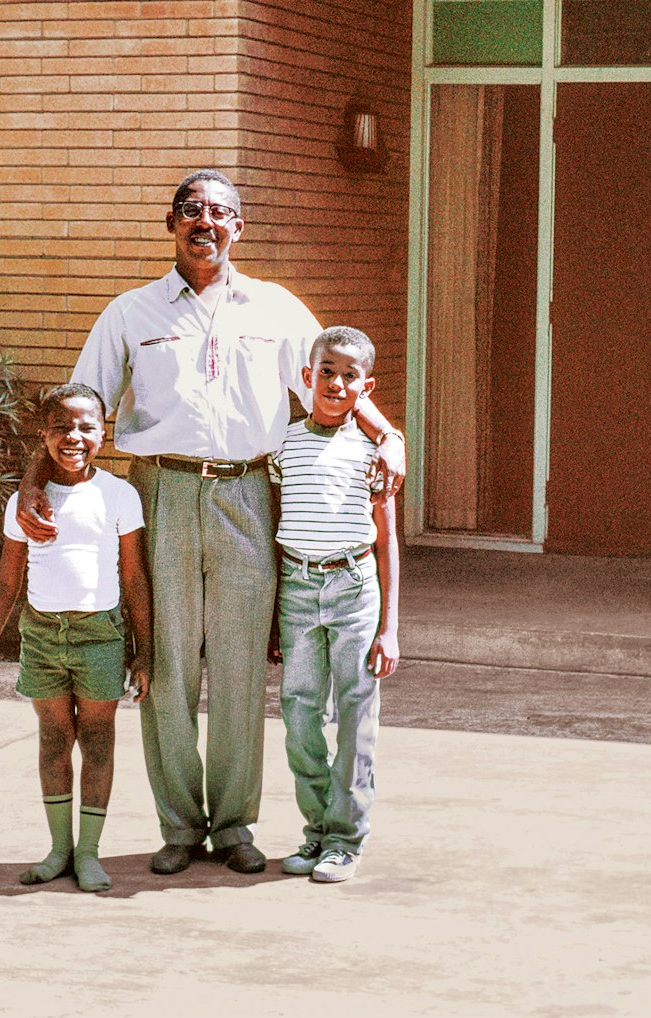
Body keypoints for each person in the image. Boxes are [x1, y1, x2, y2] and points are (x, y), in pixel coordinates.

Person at [16, 170, 406, 875]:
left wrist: (391, 436)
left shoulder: (277, 308)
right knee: (165, 665)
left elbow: (335, 378)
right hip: (159, 495)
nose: (206, 222)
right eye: (192, 210)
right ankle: (178, 825)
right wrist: (32, 483)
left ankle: (232, 824)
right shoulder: (131, 313)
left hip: (248, 496)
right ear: (170, 223)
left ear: (239, 227)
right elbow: (80, 408)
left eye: (221, 212)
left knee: (234, 667)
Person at [0, 383, 153, 893]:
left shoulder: (119, 494)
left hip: (100, 636)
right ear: (44, 434)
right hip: (43, 635)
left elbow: (135, 578)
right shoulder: (26, 502)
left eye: (86, 427)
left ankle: (90, 852)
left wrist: (145, 654)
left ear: (104, 432)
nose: (74, 437)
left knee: (97, 740)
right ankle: (59, 849)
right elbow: (7, 581)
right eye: (62, 427)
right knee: (53, 741)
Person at [269, 326, 400, 884]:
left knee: (355, 714)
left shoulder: (374, 455)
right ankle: (316, 829)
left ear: (365, 387)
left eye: (350, 377)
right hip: (298, 590)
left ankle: (346, 839)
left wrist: (388, 627)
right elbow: (276, 523)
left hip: (353, 589)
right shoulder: (284, 449)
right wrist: (274, 616)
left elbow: (387, 540)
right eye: (327, 371)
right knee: (299, 712)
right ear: (307, 377)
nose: (336, 383)